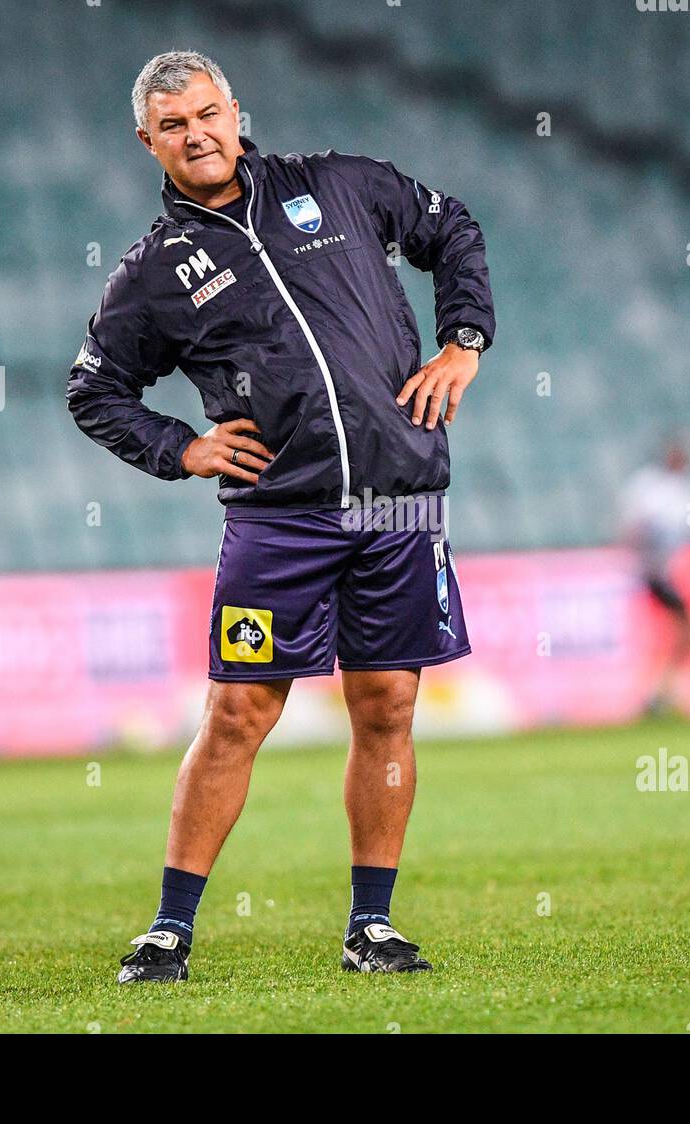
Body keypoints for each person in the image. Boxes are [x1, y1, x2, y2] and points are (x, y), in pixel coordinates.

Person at [67, 51, 495, 980]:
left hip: (398, 504)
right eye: (175, 125)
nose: (198, 134)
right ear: (149, 142)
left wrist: (464, 342)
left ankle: (371, 926)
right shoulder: (153, 274)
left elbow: (451, 226)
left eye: (210, 114)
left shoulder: (339, 185)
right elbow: (96, 391)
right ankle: (170, 929)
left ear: (235, 112)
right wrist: (182, 447)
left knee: (387, 705)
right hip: (280, 521)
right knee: (238, 715)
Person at [618, 437, 690, 713]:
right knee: (683, 631)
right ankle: (660, 694)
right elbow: (639, 527)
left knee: (680, 632)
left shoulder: (674, 489)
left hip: (657, 570)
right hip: (650, 571)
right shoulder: (652, 487)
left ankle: (662, 693)